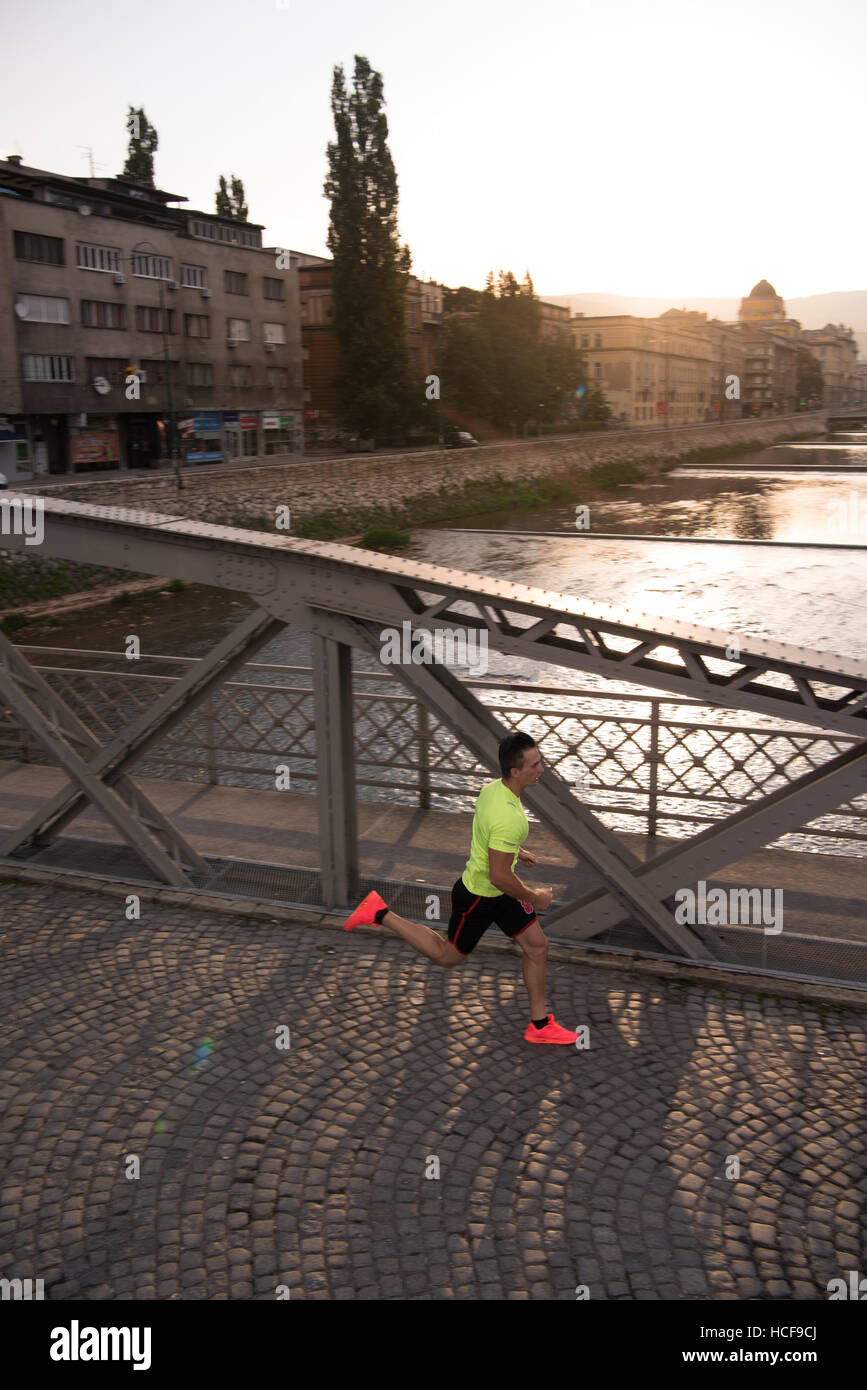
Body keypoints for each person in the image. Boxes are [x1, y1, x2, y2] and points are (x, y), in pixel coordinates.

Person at [344, 731, 578, 1044]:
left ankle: (539, 1025)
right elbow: (498, 876)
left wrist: (515, 852)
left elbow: (486, 832)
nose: (541, 770)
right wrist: (535, 897)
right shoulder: (510, 818)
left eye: (540, 762)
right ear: (515, 772)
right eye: (534, 765)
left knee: (537, 946)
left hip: (499, 891)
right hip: (479, 897)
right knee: (447, 956)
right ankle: (380, 912)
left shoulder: (492, 790)